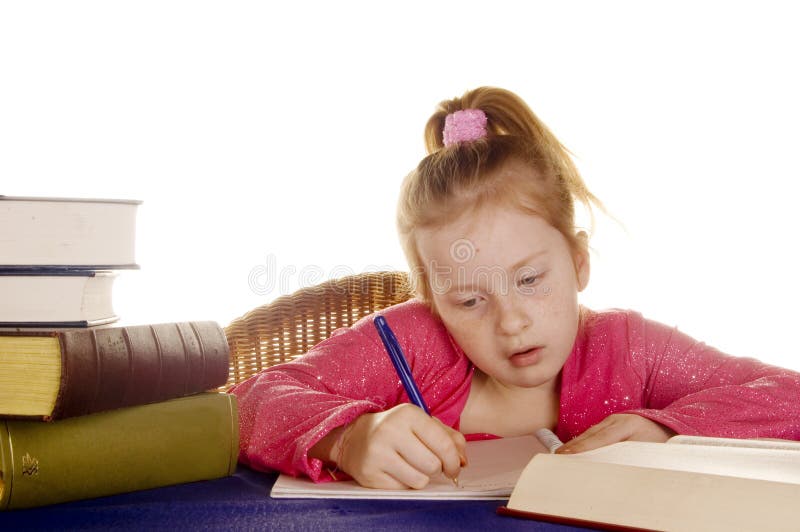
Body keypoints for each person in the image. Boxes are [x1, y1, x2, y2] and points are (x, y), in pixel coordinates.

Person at [230, 87, 800, 490]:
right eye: (468, 300)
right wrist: (347, 438)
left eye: (530, 280)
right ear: (432, 299)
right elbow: (248, 400)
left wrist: (665, 428)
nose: (511, 321)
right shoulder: (408, 343)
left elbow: (787, 393)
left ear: (577, 261)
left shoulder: (630, 350)